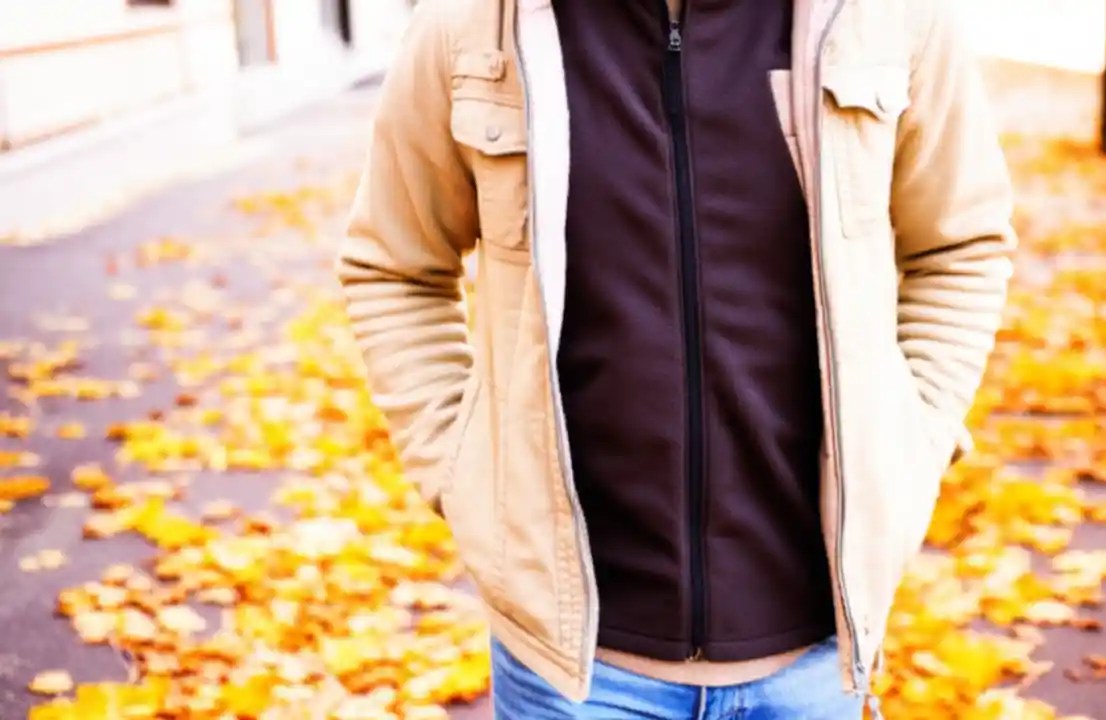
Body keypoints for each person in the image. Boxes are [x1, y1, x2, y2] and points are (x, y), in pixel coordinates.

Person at [337, 0, 1014, 716]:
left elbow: (959, 245)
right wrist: (460, 464)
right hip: (574, 675)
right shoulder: (471, 25)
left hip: (815, 663)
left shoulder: (886, 18)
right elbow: (395, 266)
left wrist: (917, 435)